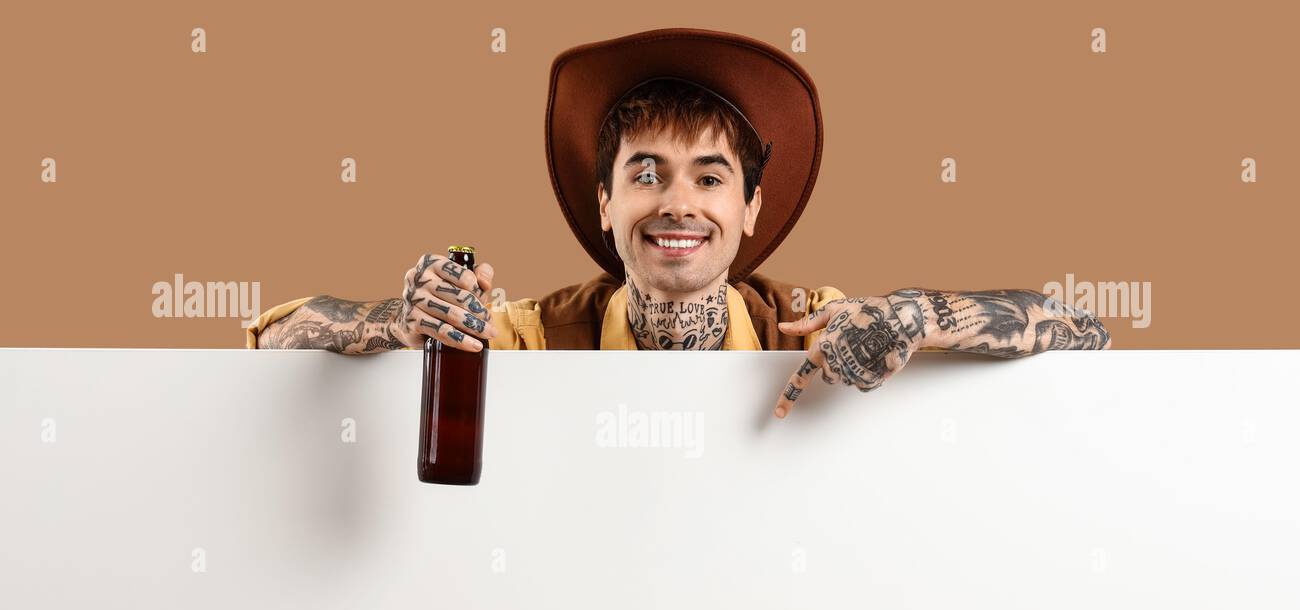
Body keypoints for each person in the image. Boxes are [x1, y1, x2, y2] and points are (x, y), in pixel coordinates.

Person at [246, 28, 1111, 419]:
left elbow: (1085, 331)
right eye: (645, 174)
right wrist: (401, 323)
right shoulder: (534, 336)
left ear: (749, 209)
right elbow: (274, 341)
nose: (677, 204)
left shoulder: (813, 325)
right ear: (604, 202)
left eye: (710, 176)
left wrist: (918, 317)